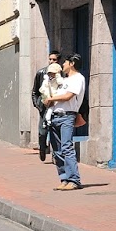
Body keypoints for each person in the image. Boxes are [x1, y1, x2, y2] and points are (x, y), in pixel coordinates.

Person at [45, 54, 86, 190]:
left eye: (65, 62)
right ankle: (64, 178)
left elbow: (68, 96)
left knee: (67, 147)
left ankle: (74, 179)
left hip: (67, 117)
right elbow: (55, 98)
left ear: (72, 63)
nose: (63, 65)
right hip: (55, 116)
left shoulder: (78, 79)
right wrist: (48, 101)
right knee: (56, 150)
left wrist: (52, 98)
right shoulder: (63, 80)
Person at [31, 51, 60, 161]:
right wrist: (38, 105)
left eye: (54, 60)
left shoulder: (61, 74)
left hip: (57, 106)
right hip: (44, 106)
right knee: (43, 131)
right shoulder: (41, 73)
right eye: (50, 59)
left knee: (55, 130)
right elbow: (34, 92)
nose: (51, 61)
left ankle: (55, 155)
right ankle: (42, 148)